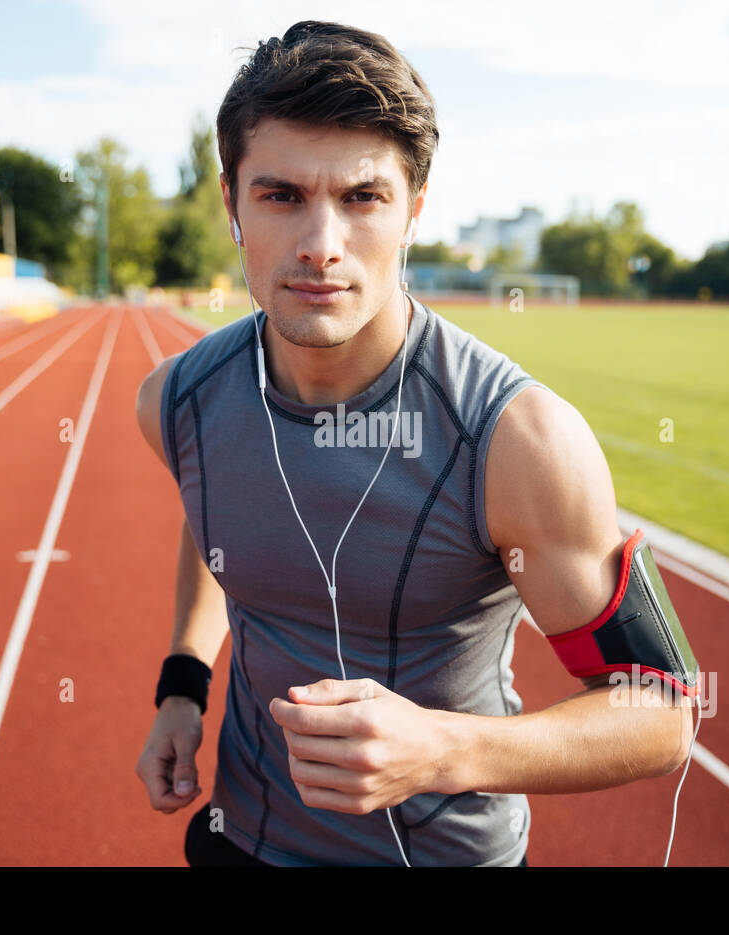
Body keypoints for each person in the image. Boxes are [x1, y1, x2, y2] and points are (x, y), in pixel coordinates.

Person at [134, 20, 695, 867]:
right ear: (232, 203)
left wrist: (442, 750)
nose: (321, 246)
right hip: (242, 845)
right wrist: (184, 682)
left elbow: (663, 712)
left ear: (414, 212)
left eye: (362, 198)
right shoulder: (179, 402)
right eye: (281, 195)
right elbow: (212, 519)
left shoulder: (519, 439)